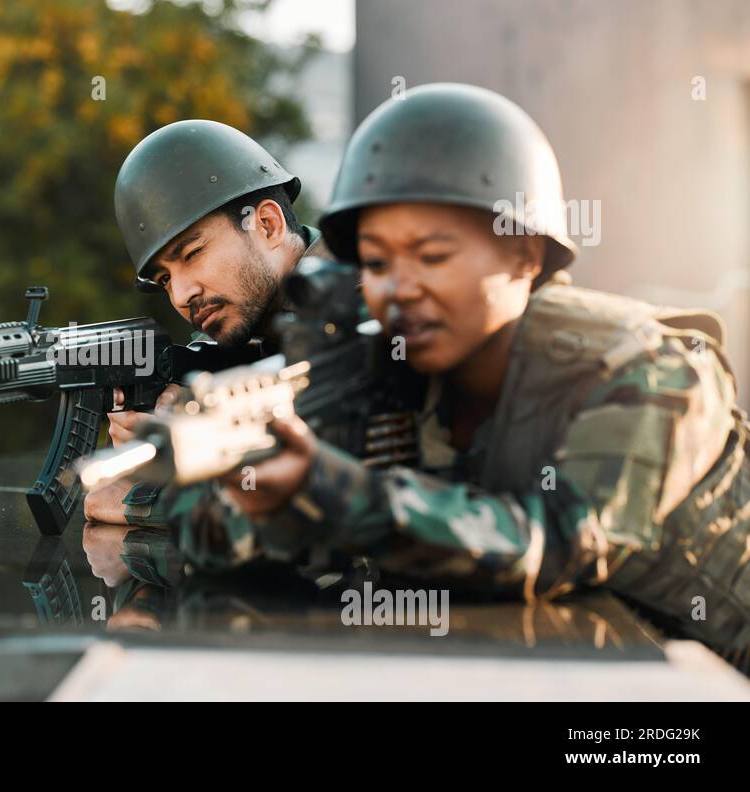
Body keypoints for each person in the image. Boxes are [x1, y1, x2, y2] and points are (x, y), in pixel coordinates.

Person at [168, 83, 750, 660]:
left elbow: (552, 548)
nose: (399, 289)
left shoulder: (646, 369)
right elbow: (220, 547)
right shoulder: (393, 371)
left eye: (433, 256)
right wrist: (244, 480)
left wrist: (331, 488)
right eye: (375, 262)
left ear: (524, 254)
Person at [83, 119, 327, 527]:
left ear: (267, 225)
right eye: (164, 279)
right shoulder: (245, 332)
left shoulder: (366, 315)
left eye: (192, 254)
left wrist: (147, 496)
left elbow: (334, 501)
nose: (180, 295)